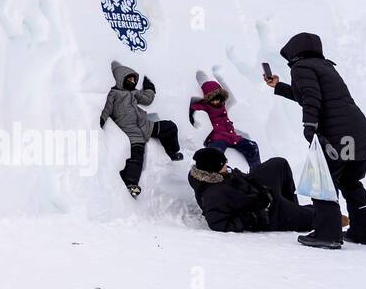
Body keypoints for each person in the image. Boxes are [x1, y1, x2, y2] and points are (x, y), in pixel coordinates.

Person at [265, 32, 366, 248]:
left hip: (339, 134)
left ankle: (327, 234)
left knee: (323, 181)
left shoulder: (301, 67)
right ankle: (365, 232)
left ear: (294, 51)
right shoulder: (325, 66)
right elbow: (313, 96)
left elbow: (311, 99)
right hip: (358, 132)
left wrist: (310, 128)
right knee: (350, 182)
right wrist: (279, 87)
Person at [98, 60, 183, 198]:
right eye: (129, 79)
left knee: (170, 127)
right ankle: (131, 183)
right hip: (132, 130)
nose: (132, 82)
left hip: (145, 125)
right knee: (137, 155)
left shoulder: (134, 92)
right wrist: (100, 121)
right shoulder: (114, 94)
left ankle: (173, 152)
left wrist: (149, 88)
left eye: (134, 79)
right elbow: (107, 108)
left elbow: (147, 99)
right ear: (121, 78)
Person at [187, 147, 315, 233]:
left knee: (279, 164)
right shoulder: (213, 196)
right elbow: (218, 224)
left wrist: (253, 182)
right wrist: (252, 218)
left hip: (256, 188)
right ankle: (293, 213)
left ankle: (292, 207)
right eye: (223, 164)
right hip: (264, 210)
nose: (226, 165)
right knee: (315, 216)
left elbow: (234, 181)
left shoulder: (215, 174)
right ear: (212, 169)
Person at [190, 77, 260, 169]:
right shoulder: (205, 106)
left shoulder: (221, 105)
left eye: (219, 99)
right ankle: (215, 176)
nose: (216, 102)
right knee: (215, 155)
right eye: (213, 99)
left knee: (252, 147)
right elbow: (195, 106)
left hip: (231, 136)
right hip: (217, 138)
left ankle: (256, 171)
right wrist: (192, 112)